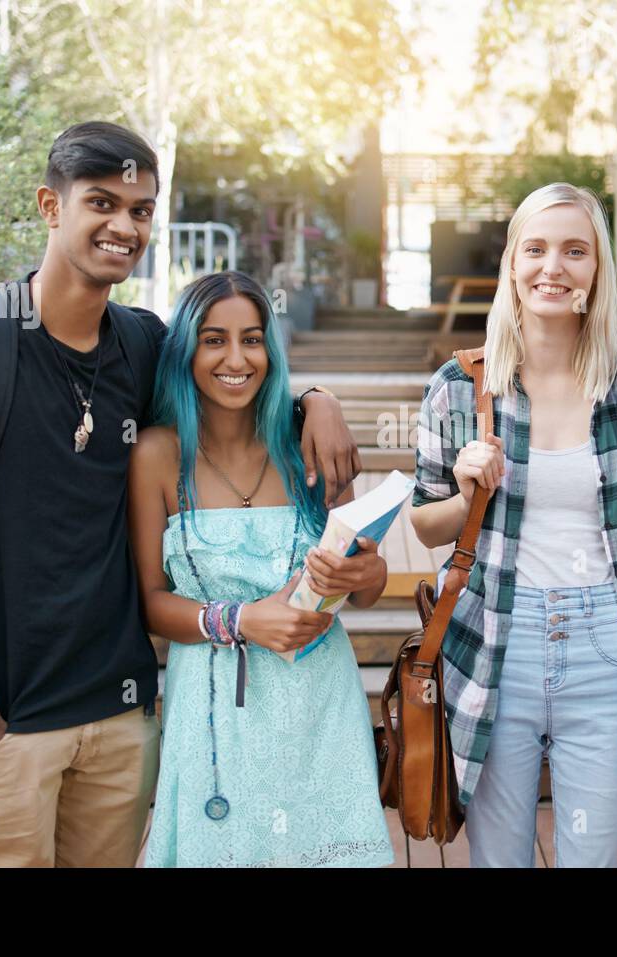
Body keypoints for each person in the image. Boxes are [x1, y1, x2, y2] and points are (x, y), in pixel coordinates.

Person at [0, 122, 359, 867]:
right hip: (6, 716)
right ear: (50, 205)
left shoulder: (142, 345)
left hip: (119, 717)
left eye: (140, 209)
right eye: (101, 202)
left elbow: (234, 375)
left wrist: (318, 401)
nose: (123, 225)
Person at [410, 183, 617, 867]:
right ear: (511, 265)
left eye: (574, 251)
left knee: (593, 853)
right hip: (496, 636)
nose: (552, 268)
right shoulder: (461, 386)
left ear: (598, 270)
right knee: (498, 855)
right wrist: (469, 485)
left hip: (607, 644)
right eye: (534, 249)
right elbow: (423, 523)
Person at [130, 271, 394, 867]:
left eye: (252, 339)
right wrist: (240, 620)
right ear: (186, 350)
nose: (236, 358)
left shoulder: (307, 442)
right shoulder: (156, 455)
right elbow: (148, 602)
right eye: (213, 339)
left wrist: (360, 577)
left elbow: (371, 586)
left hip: (320, 703)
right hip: (215, 714)